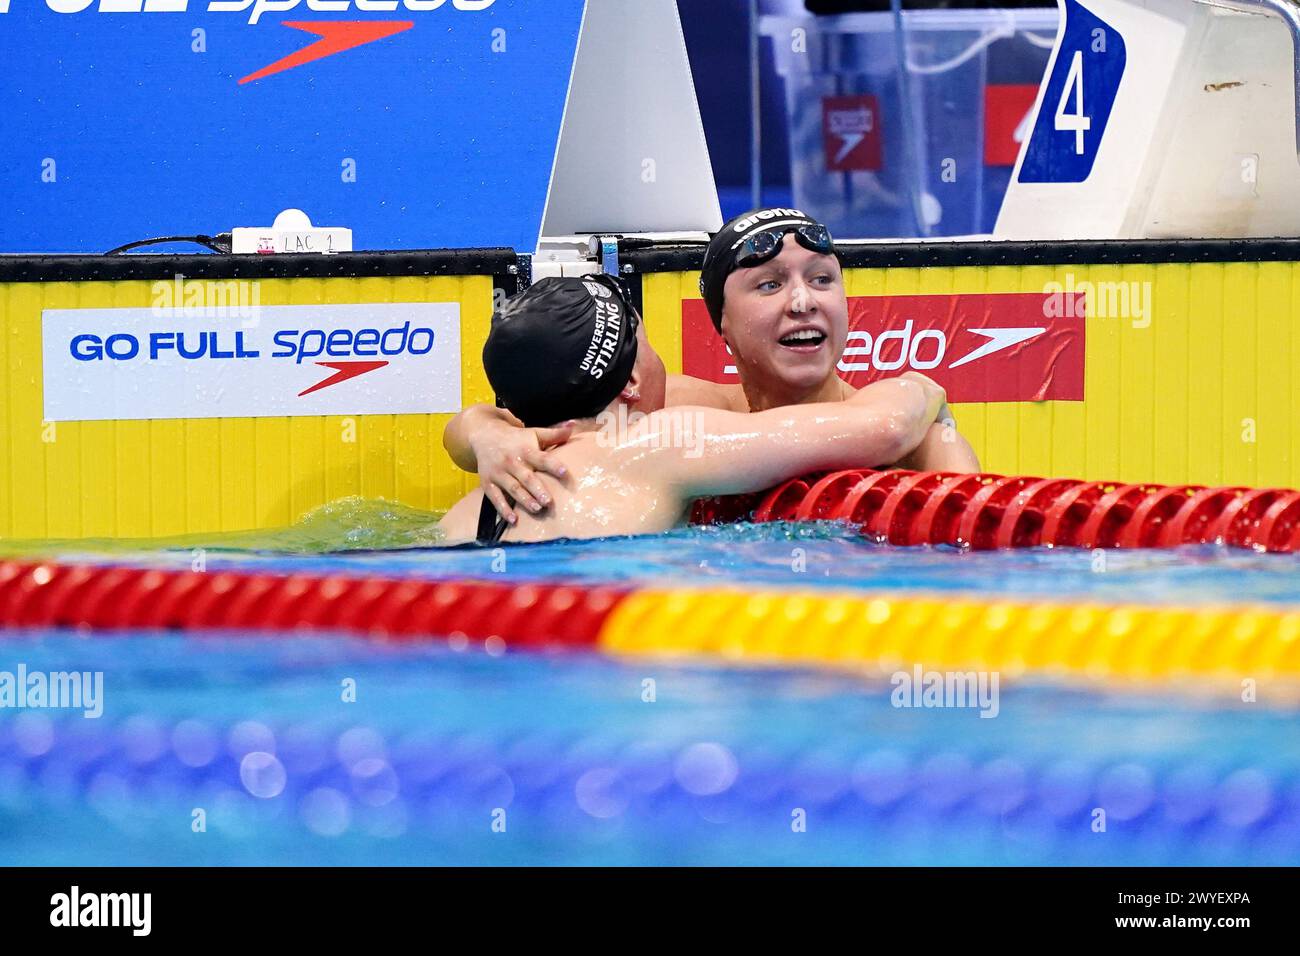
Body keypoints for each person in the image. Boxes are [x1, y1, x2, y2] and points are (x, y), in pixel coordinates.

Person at [442, 208, 979, 526]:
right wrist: (488, 437)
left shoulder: (920, 439)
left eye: (821, 280)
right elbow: (505, 423)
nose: (802, 303)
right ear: (722, 323)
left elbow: (975, 559)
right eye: (770, 285)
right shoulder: (677, 411)